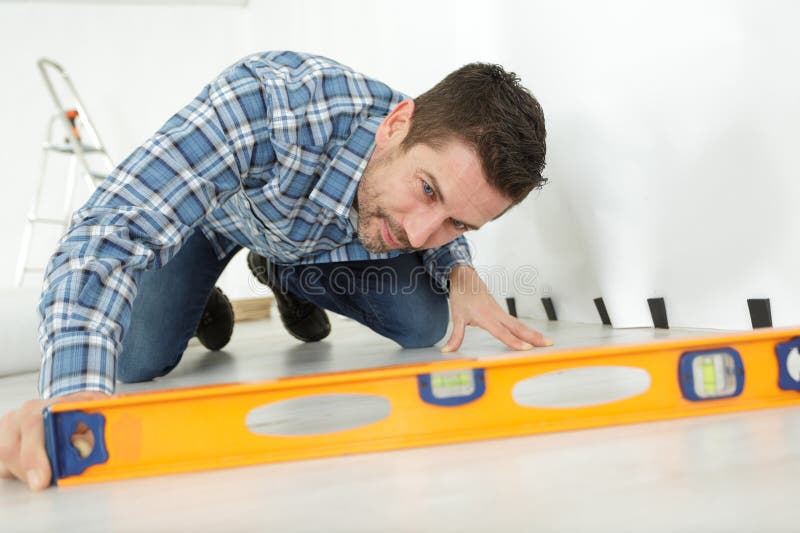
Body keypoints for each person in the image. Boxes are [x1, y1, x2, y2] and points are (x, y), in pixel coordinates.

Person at [0, 51, 550, 490]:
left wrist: (458, 272)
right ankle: (201, 301)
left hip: (310, 242)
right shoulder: (265, 104)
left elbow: (444, 216)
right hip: (211, 223)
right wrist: (68, 401)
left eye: (458, 223)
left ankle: (281, 271)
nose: (421, 233)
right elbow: (110, 232)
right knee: (133, 359)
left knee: (427, 325)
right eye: (426, 190)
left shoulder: (428, 177)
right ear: (396, 125)